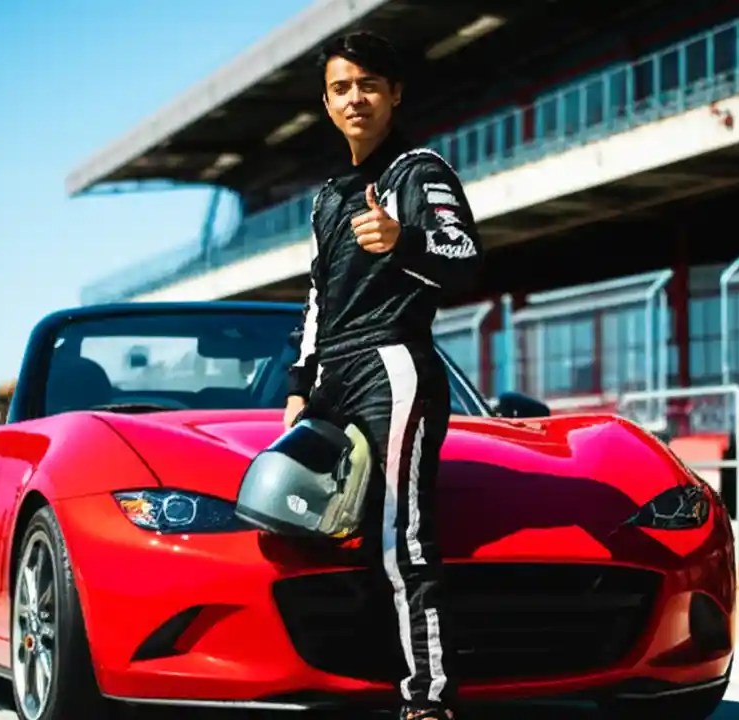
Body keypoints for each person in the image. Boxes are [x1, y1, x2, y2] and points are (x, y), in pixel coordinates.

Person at [283, 30, 483, 720]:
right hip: (332, 380)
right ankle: (336, 677)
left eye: (369, 85)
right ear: (326, 102)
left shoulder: (418, 172)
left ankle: (428, 699)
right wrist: (298, 387)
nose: (355, 99)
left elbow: (465, 255)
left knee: (405, 536)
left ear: (395, 94)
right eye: (341, 87)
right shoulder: (326, 199)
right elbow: (317, 299)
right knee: (308, 528)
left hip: (393, 363)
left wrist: (404, 242)